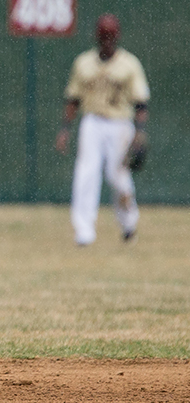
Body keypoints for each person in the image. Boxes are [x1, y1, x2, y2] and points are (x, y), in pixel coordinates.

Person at [55, 13, 149, 246]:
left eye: (110, 34)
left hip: (119, 124)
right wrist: (65, 129)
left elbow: (141, 102)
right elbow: (73, 99)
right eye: (103, 34)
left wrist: (140, 131)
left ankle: (128, 224)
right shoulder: (83, 63)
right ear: (97, 35)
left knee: (119, 177)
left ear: (117, 36)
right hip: (92, 122)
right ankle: (84, 231)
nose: (106, 38)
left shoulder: (129, 64)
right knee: (86, 174)